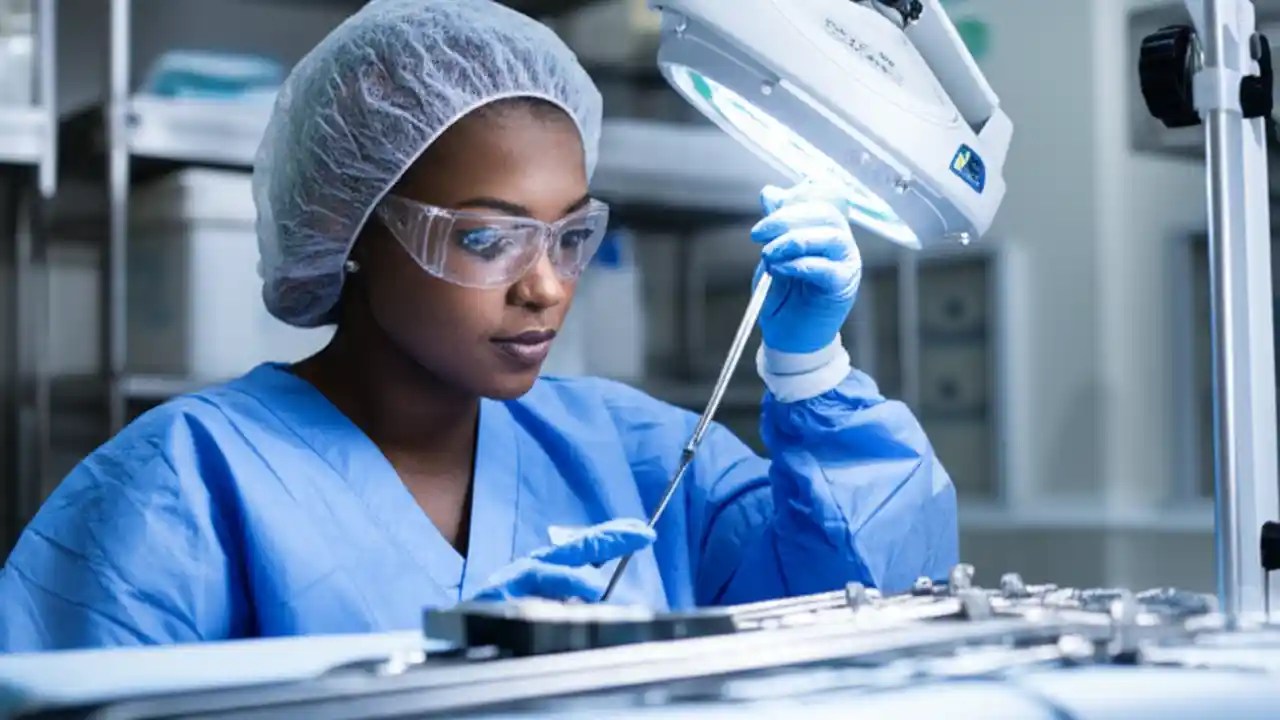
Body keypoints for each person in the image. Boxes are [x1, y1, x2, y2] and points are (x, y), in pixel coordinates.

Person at [0, 0, 957, 652]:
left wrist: (807, 366)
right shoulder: (184, 486)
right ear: (349, 226)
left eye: (571, 236)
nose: (545, 288)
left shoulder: (633, 454)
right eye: (487, 237)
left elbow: (857, 611)